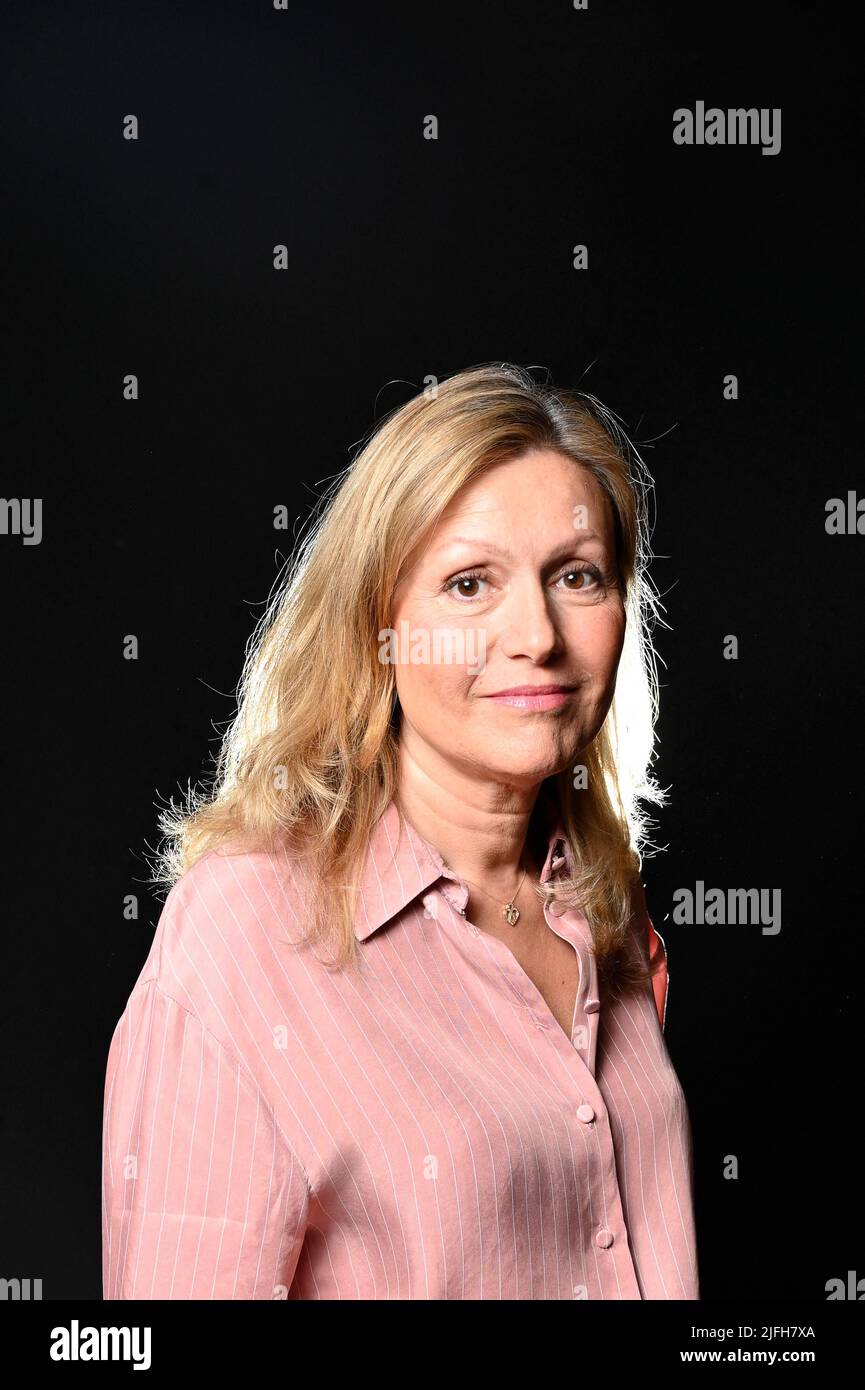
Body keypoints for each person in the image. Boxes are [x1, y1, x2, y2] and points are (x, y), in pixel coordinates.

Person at [101, 362, 699, 1299]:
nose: (534, 634)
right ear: (375, 628)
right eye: (468, 584)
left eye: (576, 576)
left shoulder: (602, 912)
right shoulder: (243, 932)